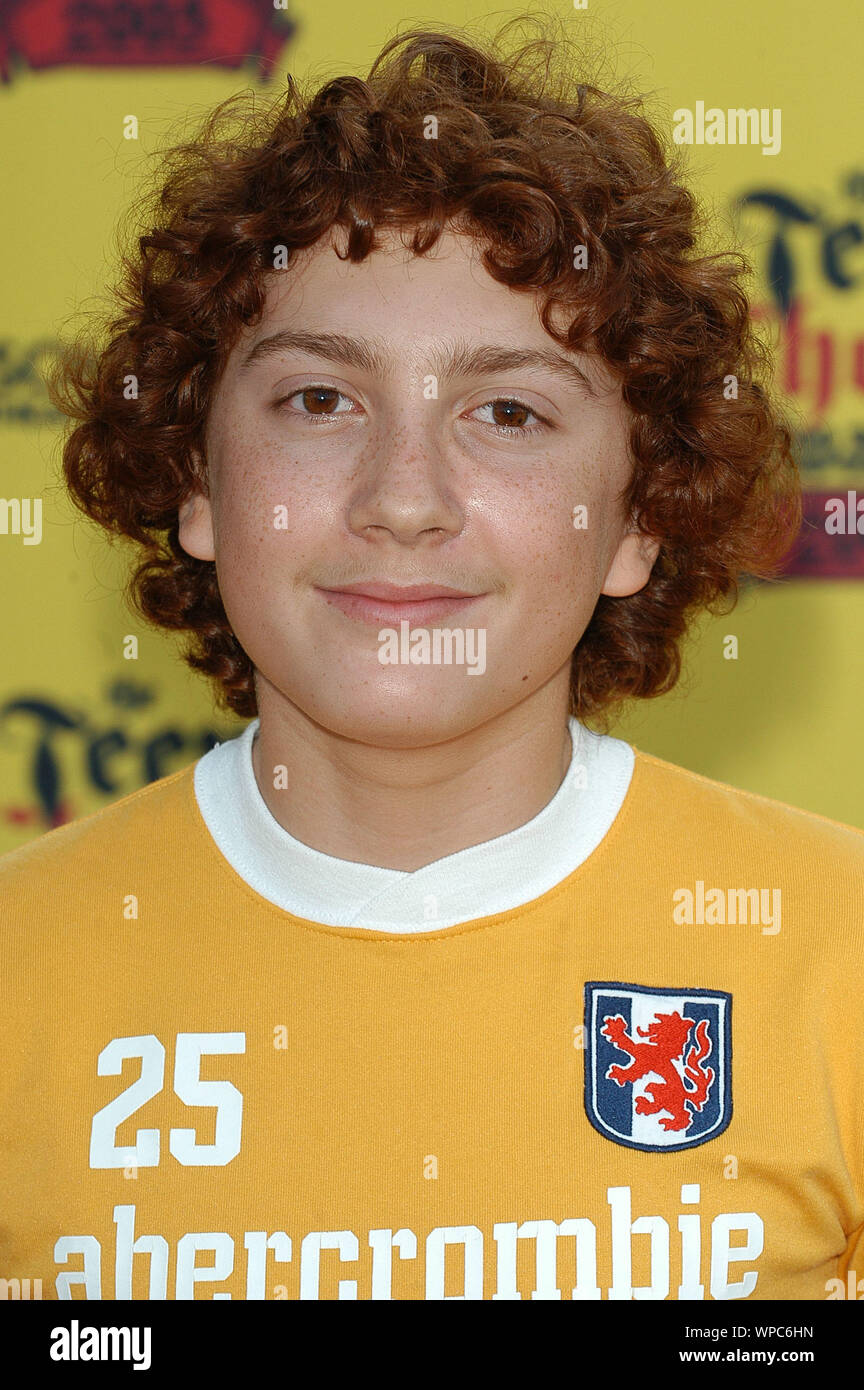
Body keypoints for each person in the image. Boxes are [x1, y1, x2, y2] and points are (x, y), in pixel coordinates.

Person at [2, 18, 862, 1303]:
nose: (404, 498)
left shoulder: (836, 949)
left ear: (637, 516)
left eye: (507, 413)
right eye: (319, 400)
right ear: (197, 481)